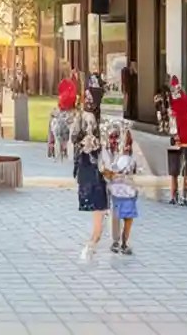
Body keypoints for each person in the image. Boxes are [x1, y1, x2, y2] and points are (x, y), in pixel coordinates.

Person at [73, 92, 108, 262]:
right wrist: (85, 144)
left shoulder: (101, 125)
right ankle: (90, 246)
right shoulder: (81, 120)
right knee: (98, 214)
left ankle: (92, 246)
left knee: (100, 214)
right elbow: (75, 138)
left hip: (99, 174)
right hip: (91, 174)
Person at [105, 130, 138, 255]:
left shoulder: (127, 159)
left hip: (125, 193)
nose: (127, 147)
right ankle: (118, 242)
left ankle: (121, 242)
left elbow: (133, 172)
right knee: (120, 217)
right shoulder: (113, 156)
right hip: (121, 192)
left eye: (129, 144)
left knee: (124, 218)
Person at [167, 75, 187, 206]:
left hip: (176, 134)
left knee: (174, 166)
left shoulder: (171, 101)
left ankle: (174, 195)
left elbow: (171, 118)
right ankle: (185, 195)